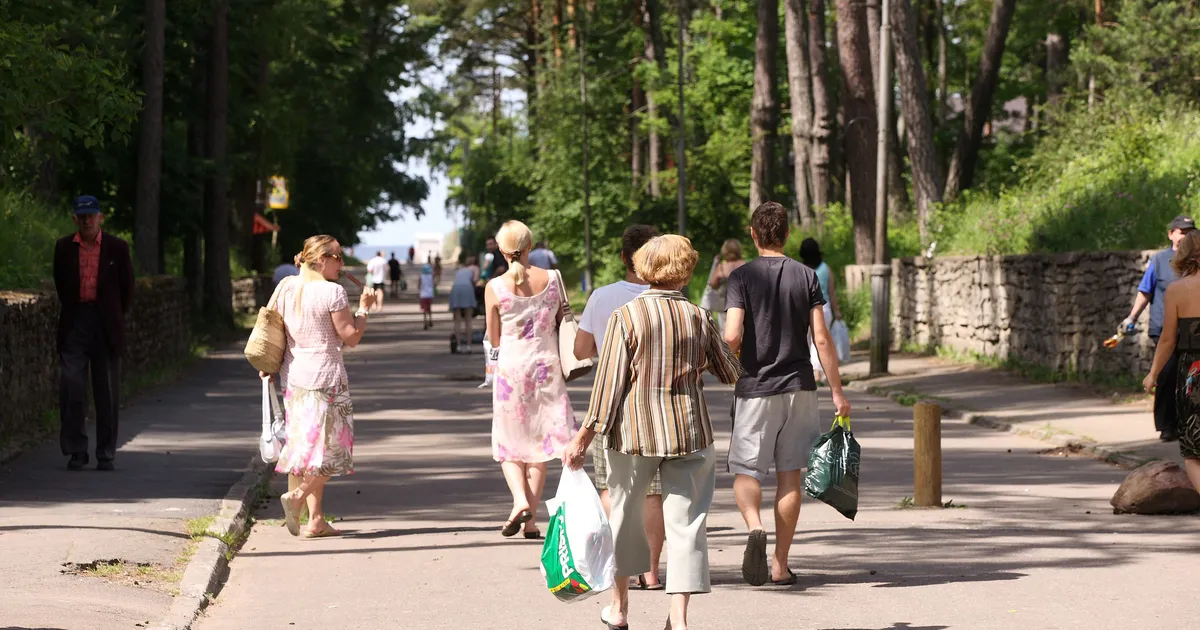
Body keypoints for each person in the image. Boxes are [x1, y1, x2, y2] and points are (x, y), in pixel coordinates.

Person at [563, 234, 741, 630]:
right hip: (690, 432)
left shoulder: (626, 317)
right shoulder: (698, 316)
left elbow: (608, 387)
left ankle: (620, 608)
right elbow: (730, 372)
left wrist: (582, 438)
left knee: (625, 518)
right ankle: (678, 618)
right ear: (687, 269)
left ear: (644, 268)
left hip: (634, 435)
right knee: (688, 525)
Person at [723, 201, 852, 587]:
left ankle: (755, 527)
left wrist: (725, 363)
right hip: (799, 386)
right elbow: (822, 338)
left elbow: (731, 335)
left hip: (756, 388)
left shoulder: (741, 277)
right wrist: (837, 392)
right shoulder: (807, 276)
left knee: (747, 469)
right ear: (787, 234)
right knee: (789, 477)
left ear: (753, 234)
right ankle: (780, 563)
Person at [573, 224, 666, 590]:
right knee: (652, 493)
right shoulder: (669, 298)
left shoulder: (601, 297)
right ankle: (653, 572)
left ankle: (618, 569)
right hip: (655, 406)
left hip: (610, 408)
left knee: (612, 490)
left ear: (623, 257)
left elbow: (581, 351)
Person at [270, 235, 374, 538]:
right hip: (327, 380)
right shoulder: (333, 292)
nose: (342, 264)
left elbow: (272, 327)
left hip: (294, 378)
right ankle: (299, 496)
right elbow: (351, 337)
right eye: (338, 257)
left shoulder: (288, 286)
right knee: (334, 453)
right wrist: (364, 309)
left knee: (307, 449)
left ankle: (316, 520)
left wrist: (268, 368)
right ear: (320, 260)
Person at [485, 220, 577, 539]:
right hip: (546, 367)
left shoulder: (495, 287)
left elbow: (494, 339)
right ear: (531, 245)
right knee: (542, 443)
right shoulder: (553, 278)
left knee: (510, 442)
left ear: (501, 249)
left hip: (512, 369)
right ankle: (532, 522)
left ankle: (520, 501)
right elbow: (560, 319)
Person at [53, 195, 134, 471]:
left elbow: (127, 289)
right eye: (82, 216)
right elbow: (61, 285)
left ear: (100, 217)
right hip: (76, 322)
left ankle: (106, 452)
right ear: (75, 219)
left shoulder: (117, 248)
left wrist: (113, 316)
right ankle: (76, 449)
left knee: (106, 391)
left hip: (106, 325)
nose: (87, 220)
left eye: (91, 215)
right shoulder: (64, 248)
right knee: (71, 384)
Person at [1124, 215, 1197, 442]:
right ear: (1171, 234)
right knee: (1167, 376)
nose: (1185, 236)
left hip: (1191, 333)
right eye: (1181, 231)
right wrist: (1132, 316)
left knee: (1188, 378)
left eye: (1189, 232)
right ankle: (1167, 425)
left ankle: (1187, 426)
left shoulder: (1194, 263)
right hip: (1164, 327)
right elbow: (1145, 291)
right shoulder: (1159, 261)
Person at [1145, 230, 1200, 495]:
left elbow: (1167, 340)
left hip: (1193, 371)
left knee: (1192, 451)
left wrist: (1153, 373)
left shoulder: (1177, 290)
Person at [798, 238, 843, 383]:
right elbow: (831, 292)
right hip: (824, 308)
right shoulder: (826, 268)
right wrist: (837, 311)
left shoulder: (799, 269)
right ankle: (818, 372)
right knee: (819, 340)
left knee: (807, 341)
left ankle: (810, 371)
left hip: (804, 309)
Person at [705, 238, 748, 330]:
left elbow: (712, 284)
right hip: (743, 305)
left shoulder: (721, 267)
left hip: (725, 306)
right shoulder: (746, 265)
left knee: (725, 333)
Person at [449, 255, 481, 353]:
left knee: (457, 320)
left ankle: (458, 346)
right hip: (467, 288)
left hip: (455, 288)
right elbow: (475, 281)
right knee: (468, 320)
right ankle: (468, 346)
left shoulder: (460, 270)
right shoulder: (475, 268)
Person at [418, 264, 436, 330]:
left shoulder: (421, 276)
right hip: (430, 294)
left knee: (424, 310)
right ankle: (430, 320)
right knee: (429, 308)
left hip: (423, 295)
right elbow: (434, 284)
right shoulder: (431, 276)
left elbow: (419, 286)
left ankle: (425, 322)